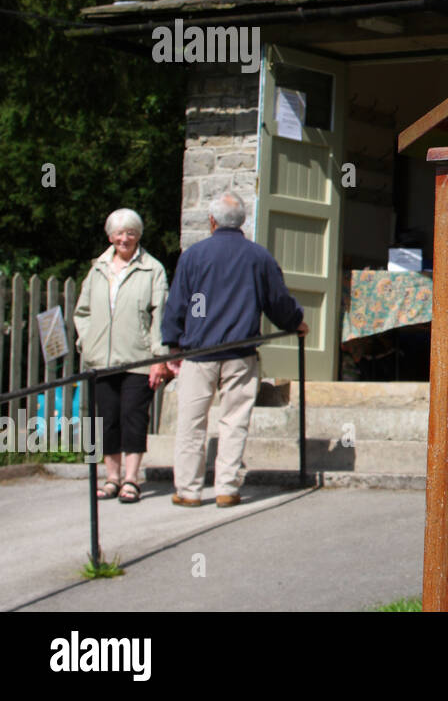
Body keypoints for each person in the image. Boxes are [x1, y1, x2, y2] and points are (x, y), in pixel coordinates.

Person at [162, 192, 308, 508]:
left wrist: (172, 344)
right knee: (234, 420)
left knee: (191, 422)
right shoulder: (259, 257)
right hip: (240, 352)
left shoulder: (193, 256)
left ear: (212, 221)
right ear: (243, 222)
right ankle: (226, 487)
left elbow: (178, 303)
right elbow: (277, 302)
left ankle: (188, 490)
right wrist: (296, 321)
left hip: (198, 352)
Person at [73, 209, 171, 504]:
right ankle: (111, 477)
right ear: (110, 236)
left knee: (133, 416)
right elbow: (83, 311)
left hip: (139, 358)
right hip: (101, 360)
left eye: (130, 233)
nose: (124, 238)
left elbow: (160, 315)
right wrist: (87, 342)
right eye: (119, 233)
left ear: (138, 236)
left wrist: (159, 357)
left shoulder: (152, 269)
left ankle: (131, 478)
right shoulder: (98, 268)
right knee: (106, 419)